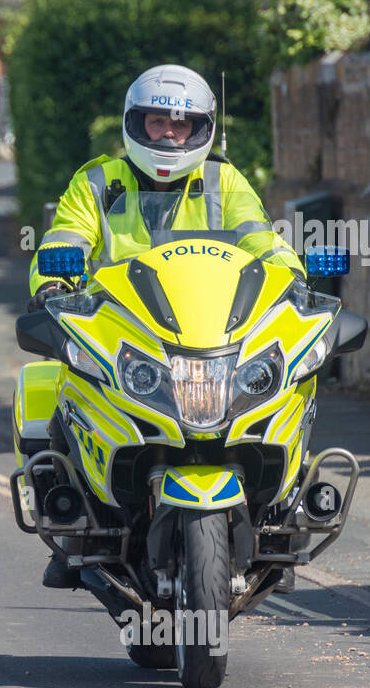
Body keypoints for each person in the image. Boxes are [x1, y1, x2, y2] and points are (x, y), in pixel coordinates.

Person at [27, 64, 304, 592]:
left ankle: (279, 518)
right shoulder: (98, 182)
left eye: (181, 124)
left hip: (213, 333)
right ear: (136, 123)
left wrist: (292, 278)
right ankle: (72, 528)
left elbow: (261, 240)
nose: (169, 135)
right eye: (158, 122)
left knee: (287, 387)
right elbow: (63, 239)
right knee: (59, 393)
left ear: (202, 129)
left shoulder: (225, 180)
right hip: (123, 332)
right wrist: (52, 281)